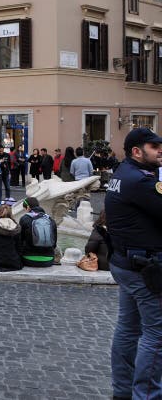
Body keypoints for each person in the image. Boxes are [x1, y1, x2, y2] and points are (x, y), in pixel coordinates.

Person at [104, 127, 162, 399]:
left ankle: (123, 391)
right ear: (137, 151)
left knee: (128, 329)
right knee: (156, 335)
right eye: (154, 147)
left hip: (126, 263)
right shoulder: (140, 181)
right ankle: (146, 395)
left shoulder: (121, 174)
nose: (160, 150)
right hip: (145, 268)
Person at [18, 196, 57, 267]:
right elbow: (54, 243)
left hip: (28, 259)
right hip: (48, 260)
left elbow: (19, 240)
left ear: (28, 207)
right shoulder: (50, 219)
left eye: (25, 209)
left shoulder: (24, 219)